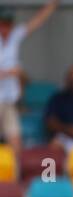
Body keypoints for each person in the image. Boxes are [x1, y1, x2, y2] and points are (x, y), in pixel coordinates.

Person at [0, 1, 59, 152]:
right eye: (2, 23)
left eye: (8, 23)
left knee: (16, 146)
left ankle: (16, 176)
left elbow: (37, 21)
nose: (5, 27)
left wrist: (52, 4)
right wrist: (10, 72)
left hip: (9, 101)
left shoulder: (14, 35)